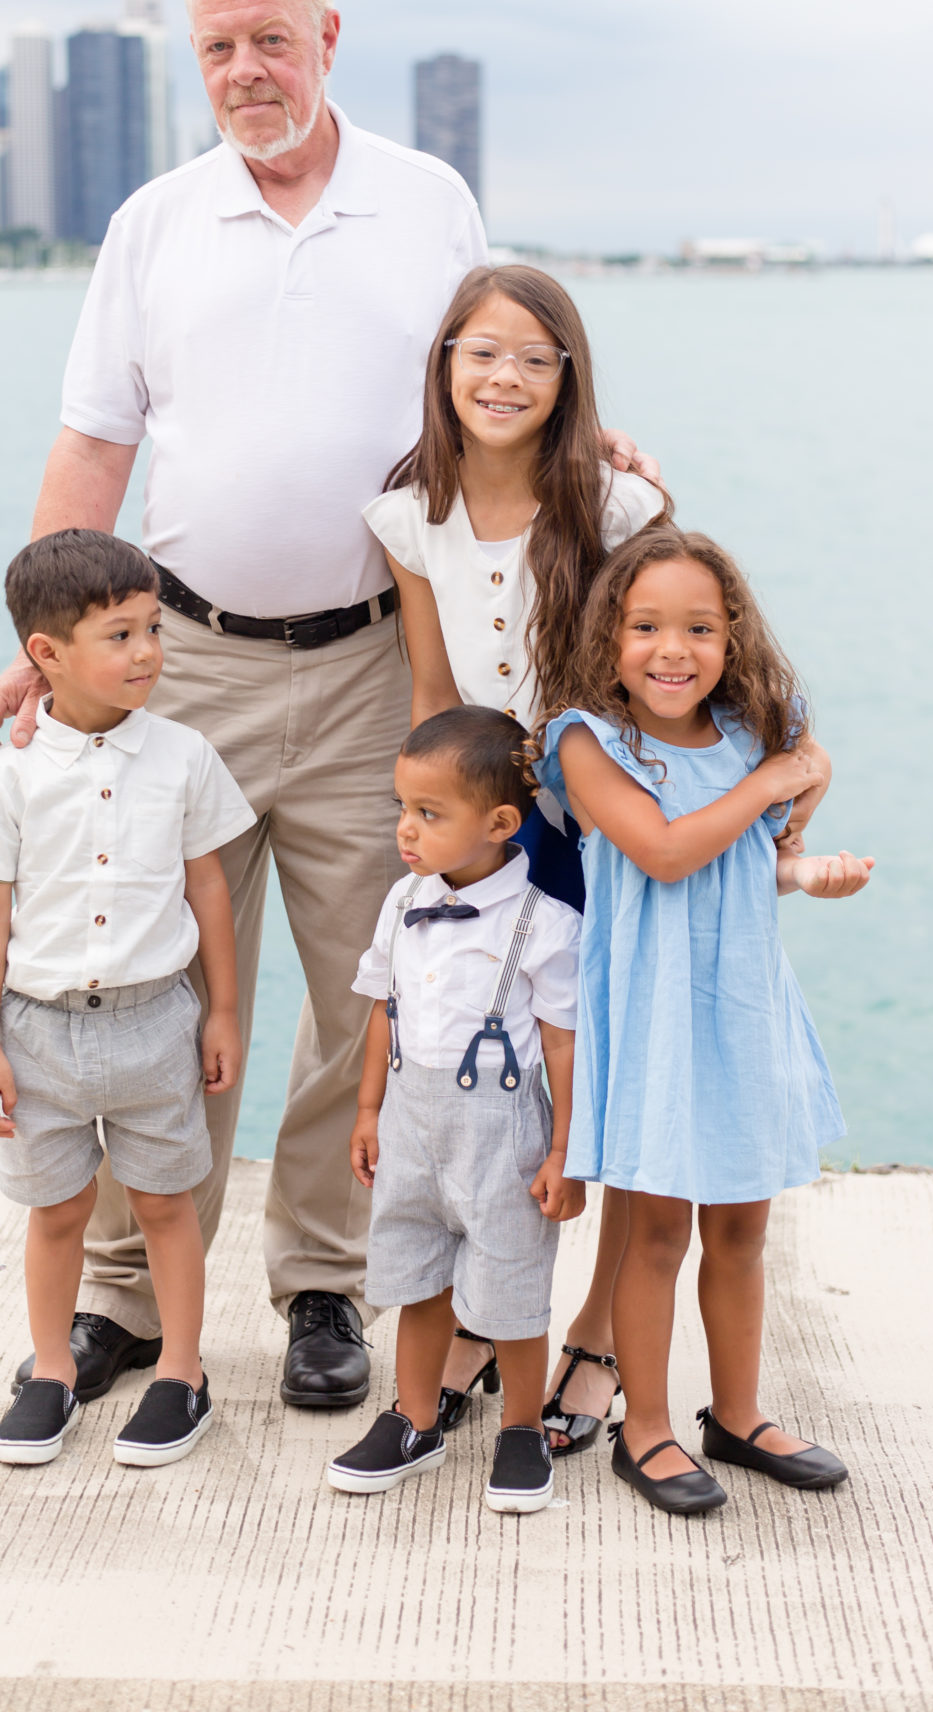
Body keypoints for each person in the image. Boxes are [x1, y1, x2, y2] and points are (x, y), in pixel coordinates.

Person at [0, 0, 660, 1412]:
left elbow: (503, 367)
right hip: (181, 660)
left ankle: (322, 1281)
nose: (244, 69)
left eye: (270, 37)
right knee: (151, 972)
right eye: (216, 46)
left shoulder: (425, 200)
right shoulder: (152, 222)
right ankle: (137, 1300)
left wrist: (600, 452)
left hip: (369, 669)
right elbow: (95, 442)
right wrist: (32, 650)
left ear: (328, 40)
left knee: (368, 989)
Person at [361, 262, 665, 1439]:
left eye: (535, 357)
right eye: (481, 351)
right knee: (498, 1089)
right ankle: (492, 1312)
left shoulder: (620, 506)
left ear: (568, 378)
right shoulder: (406, 517)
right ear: (444, 366)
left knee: (617, 1079)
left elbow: (674, 657)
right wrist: (445, 851)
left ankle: (597, 1339)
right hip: (495, 832)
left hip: (609, 818)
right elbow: (435, 694)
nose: (504, 375)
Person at [534, 525, 872, 1514]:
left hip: (743, 1009)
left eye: (698, 627)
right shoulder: (588, 743)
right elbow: (669, 852)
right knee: (654, 1234)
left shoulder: (740, 733)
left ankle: (738, 1411)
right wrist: (777, 779)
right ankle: (645, 1429)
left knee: (741, 1229)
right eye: (645, 626)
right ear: (611, 636)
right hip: (652, 1021)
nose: (671, 649)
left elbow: (761, 844)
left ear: (732, 637)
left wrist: (808, 856)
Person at [0, 531, 255, 1466]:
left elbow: (209, 893)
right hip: (38, 1033)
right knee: (59, 1211)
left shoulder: (186, 755)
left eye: (153, 629)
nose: (147, 653)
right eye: (119, 636)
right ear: (46, 654)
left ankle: (181, 1375)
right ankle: (51, 1370)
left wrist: (225, 1012)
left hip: (158, 1021)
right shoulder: (12, 777)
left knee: (167, 1205)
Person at [326, 707, 585, 1514]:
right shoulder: (403, 899)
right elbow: (383, 1007)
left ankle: (518, 1426)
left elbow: (564, 1048)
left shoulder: (545, 924)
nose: (406, 830)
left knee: (509, 1285)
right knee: (416, 1274)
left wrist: (564, 1154)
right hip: (410, 1121)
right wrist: (368, 1110)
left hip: (500, 1135)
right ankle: (413, 1419)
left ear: (500, 823)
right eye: (401, 808)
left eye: (429, 814)